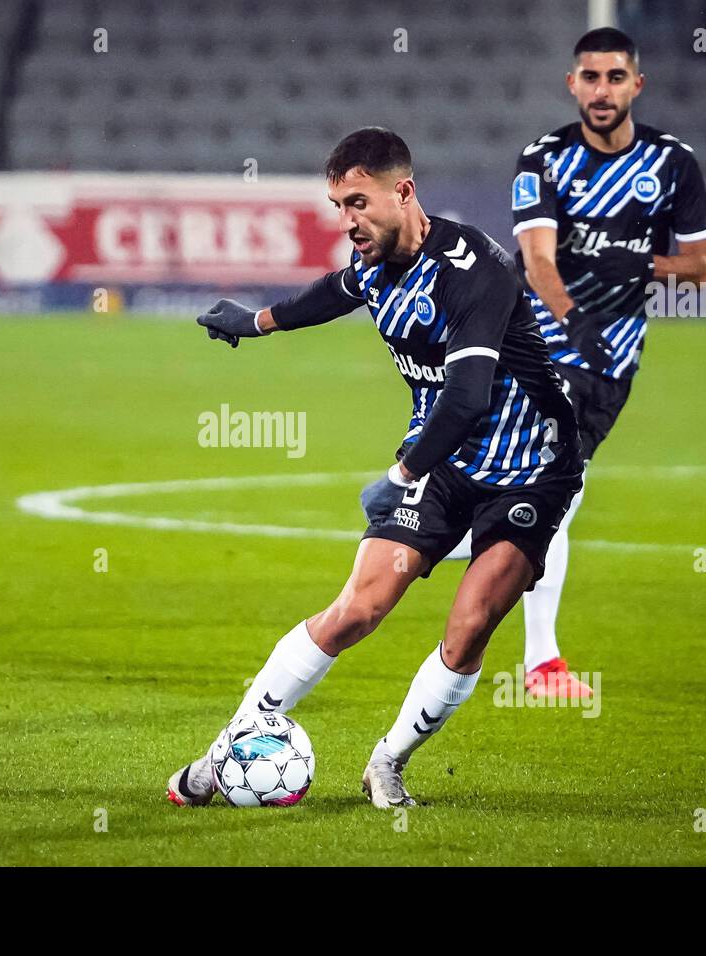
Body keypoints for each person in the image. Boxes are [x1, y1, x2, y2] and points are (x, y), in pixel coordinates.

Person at [168, 128, 583, 809]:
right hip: (444, 461)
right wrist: (257, 321)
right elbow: (333, 292)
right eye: (337, 205)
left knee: (471, 624)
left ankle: (388, 760)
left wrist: (399, 477)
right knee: (357, 609)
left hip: (530, 466)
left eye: (357, 203)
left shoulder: (475, 271)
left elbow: (468, 398)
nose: (346, 221)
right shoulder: (372, 263)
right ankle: (224, 752)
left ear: (404, 192)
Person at [446, 27, 706, 698]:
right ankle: (542, 662)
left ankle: (419, 534)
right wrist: (574, 325)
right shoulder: (542, 159)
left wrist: (641, 263)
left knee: (539, 491)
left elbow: (701, 272)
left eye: (614, 77)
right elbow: (537, 263)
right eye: (589, 77)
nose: (601, 90)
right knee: (559, 487)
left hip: (613, 365)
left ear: (636, 85)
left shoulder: (673, 164)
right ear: (573, 85)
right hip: (543, 346)